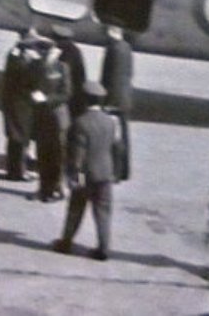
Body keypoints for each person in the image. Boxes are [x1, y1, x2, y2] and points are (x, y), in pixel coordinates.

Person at [53, 81, 123, 261]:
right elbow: (116, 148)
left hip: (85, 175)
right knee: (103, 212)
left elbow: (77, 157)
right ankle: (104, 248)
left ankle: (66, 242)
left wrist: (74, 178)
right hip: (105, 174)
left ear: (84, 100)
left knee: (76, 207)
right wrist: (115, 171)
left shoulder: (80, 123)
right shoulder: (111, 122)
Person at [30, 38, 71, 203]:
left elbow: (66, 94)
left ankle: (56, 189)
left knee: (57, 157)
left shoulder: (62, 68)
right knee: (42, 155)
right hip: (41, 118)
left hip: (57, 118)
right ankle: (43, 189)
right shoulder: (36, 65)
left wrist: (46, 99)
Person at [0, 30, 38, 181]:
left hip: (14, 105)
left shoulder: (13, 56)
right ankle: (19, 173)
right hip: (20, 107)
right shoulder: (21, 62)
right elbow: (28, 84)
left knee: (16, 140)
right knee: (19, 140)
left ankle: (14, 170)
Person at [100, 25, 134, 182]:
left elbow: (112, 77)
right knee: (123, 136)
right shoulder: (126, 47)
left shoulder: (114, 49)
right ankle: (123, 171)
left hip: (115, 100)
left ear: (114, 33)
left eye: (108, 32)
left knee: (114, 138)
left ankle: (116, 172)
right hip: (124, 99)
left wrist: (108, 102)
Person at [51, 24, 89, 121]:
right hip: (77, 95)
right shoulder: (75, 50)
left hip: (69, 97)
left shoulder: (63, 52)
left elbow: (61, 75)